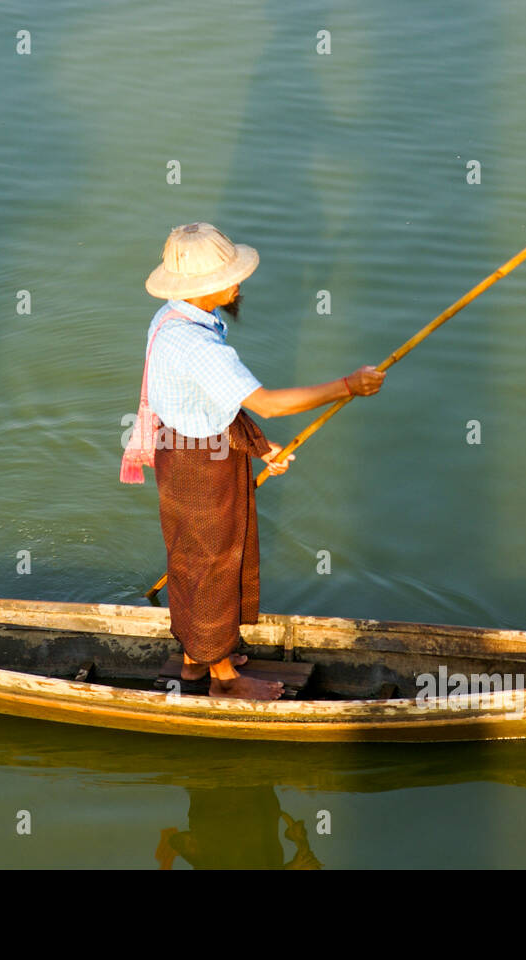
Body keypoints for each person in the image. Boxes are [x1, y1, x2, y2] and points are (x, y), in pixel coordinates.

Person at [127, 222, 384, 700]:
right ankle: (222, 674)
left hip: (187, 449)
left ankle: (194, 656)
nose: (237, 285)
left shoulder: (172, 318)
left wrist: (259, 446)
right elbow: (267, 402)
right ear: (204, 287)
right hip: (199, 465)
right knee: (213, 562)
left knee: (195, 555)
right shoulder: (200, 346)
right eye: (230, 278)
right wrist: (348, 386)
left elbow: (209, 405)